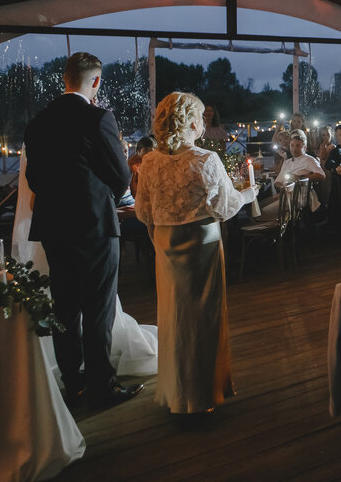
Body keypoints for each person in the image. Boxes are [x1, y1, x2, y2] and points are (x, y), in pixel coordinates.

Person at [23, 52, 143, 408]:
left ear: (65, 78)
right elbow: (120, 175)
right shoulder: (98, 117)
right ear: (96, 81)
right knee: (98, 308)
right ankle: (101, 386)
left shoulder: (38, 122)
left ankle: (73, 384)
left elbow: (34, 179)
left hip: (54, 228)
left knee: (65, 307)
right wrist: (102, 189)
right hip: (94, 226)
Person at [135, 92, 257, 415]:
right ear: (190, 123)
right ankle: (201, 396)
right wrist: (248, 195)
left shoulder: (149, 162)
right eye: (200, 118)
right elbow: (224, 207)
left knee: (173, 315)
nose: (203, 124)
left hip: (165, 244)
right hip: (200, 244)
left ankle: (176, 393)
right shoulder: (205, 159)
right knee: (202, 317)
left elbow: (143, 211)